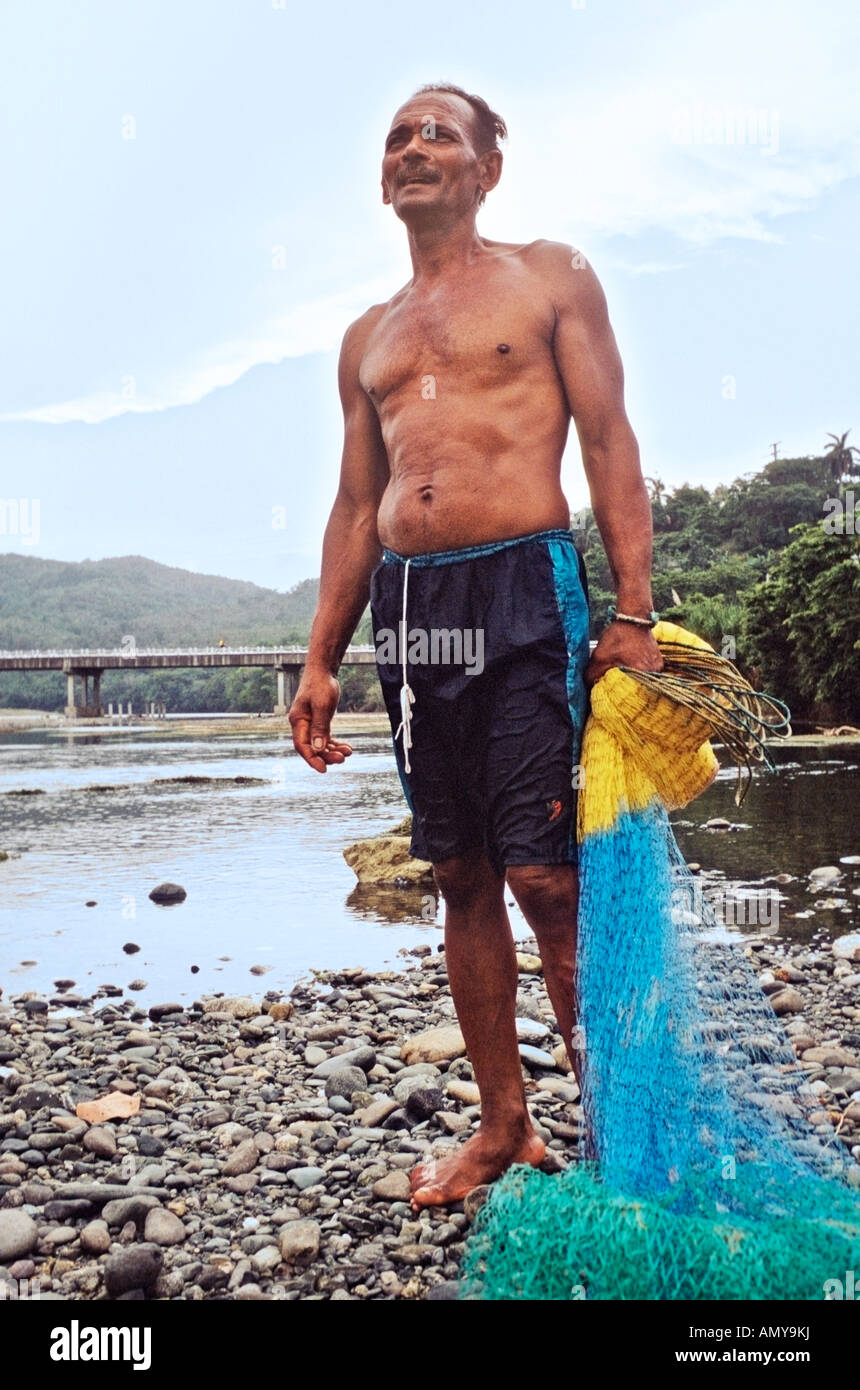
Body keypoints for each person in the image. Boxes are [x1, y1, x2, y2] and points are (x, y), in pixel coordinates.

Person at [290, 82, 663, 1211]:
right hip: (411, 609)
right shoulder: (368, 336)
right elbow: (357, 507)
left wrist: (632, 609)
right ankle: (504, 1123)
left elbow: (605, 438)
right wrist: (319, 658)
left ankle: (619, 1129)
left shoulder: (549, 277)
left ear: (486, 167)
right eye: (397, 136)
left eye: (437, 133)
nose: (412, 148)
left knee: (547, 877)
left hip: (524, 593)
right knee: (457, 872)